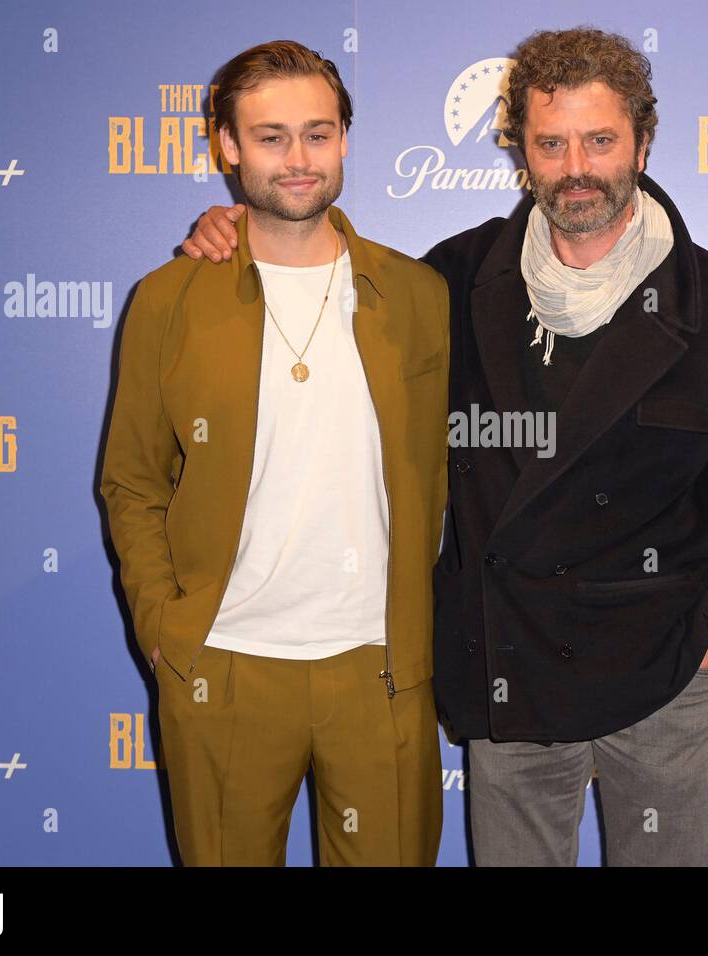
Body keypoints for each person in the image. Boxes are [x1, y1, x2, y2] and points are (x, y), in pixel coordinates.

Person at [179, 27, 708, 866]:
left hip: (664, 679)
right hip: (512, 673)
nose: (576, 167)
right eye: (550, 143)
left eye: (600, 140)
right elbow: (331, 283)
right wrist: (238, 230)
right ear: (521, 149)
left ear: (643, 140)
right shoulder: (455, 279)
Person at [99, 40, 449, 866]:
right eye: (271, 137)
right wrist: (163, 630)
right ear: (227, 146)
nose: (298, 160)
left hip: (382, 671)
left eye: (318, 134)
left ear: (346, 141)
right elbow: (132, 480)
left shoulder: (418, 294)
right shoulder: (169, 299)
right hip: (222, 667)